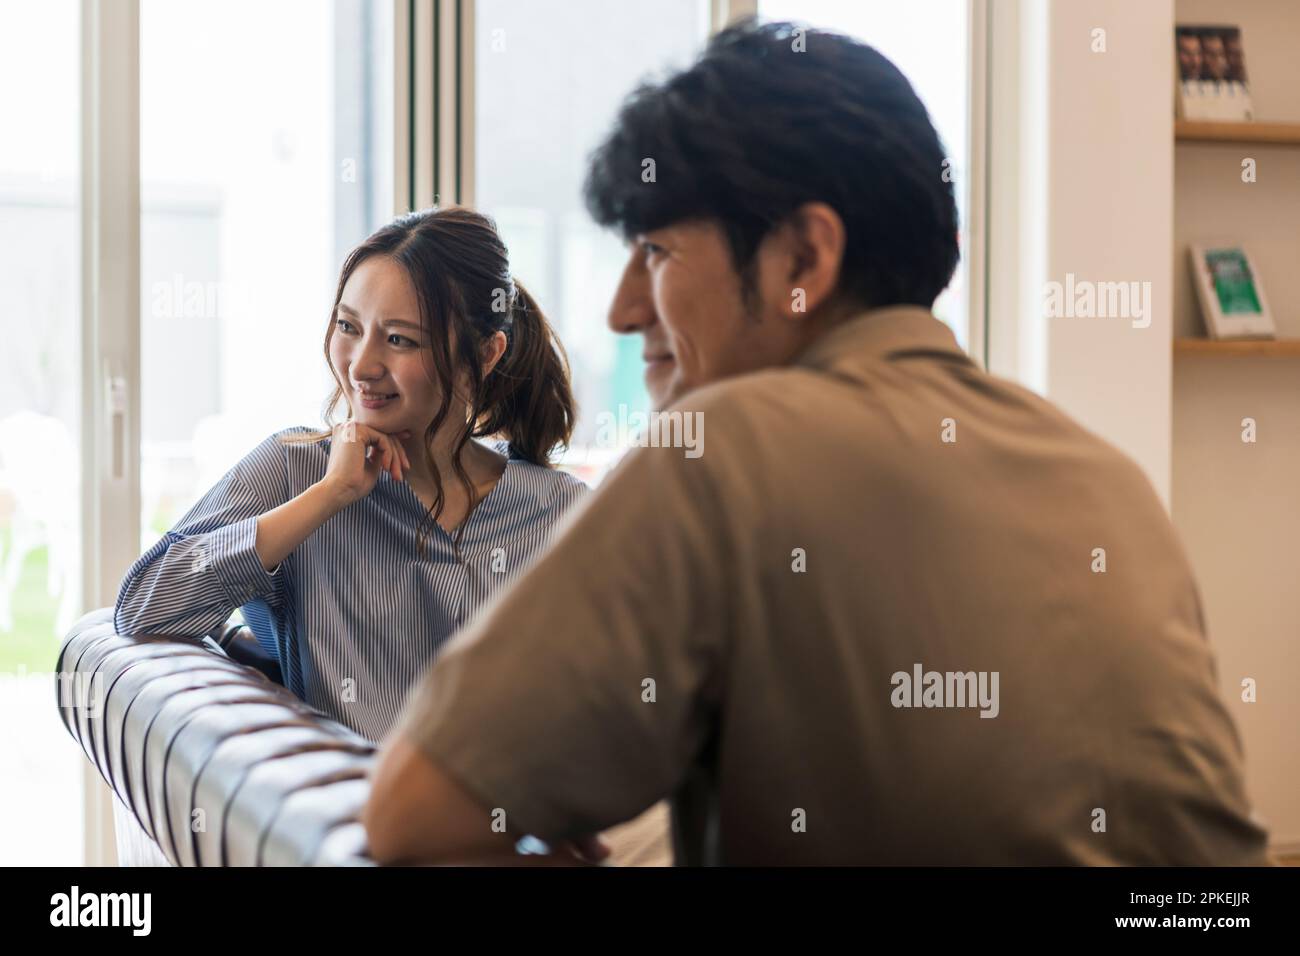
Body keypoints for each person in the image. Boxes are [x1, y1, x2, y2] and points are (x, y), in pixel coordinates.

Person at [362, 20, 1270, 866]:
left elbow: (412, 813)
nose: (623, 308)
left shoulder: (720, 450)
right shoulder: (1111, 482)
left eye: (660, 254)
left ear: (803, 260)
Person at [113, 206, 586, 742]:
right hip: (359, 818)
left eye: (400, 339)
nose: (361, 365)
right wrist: (330, 495)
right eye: (348, 327)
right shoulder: (297, 470)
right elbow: (146, 607)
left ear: (485, 353)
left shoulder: (560, 511)